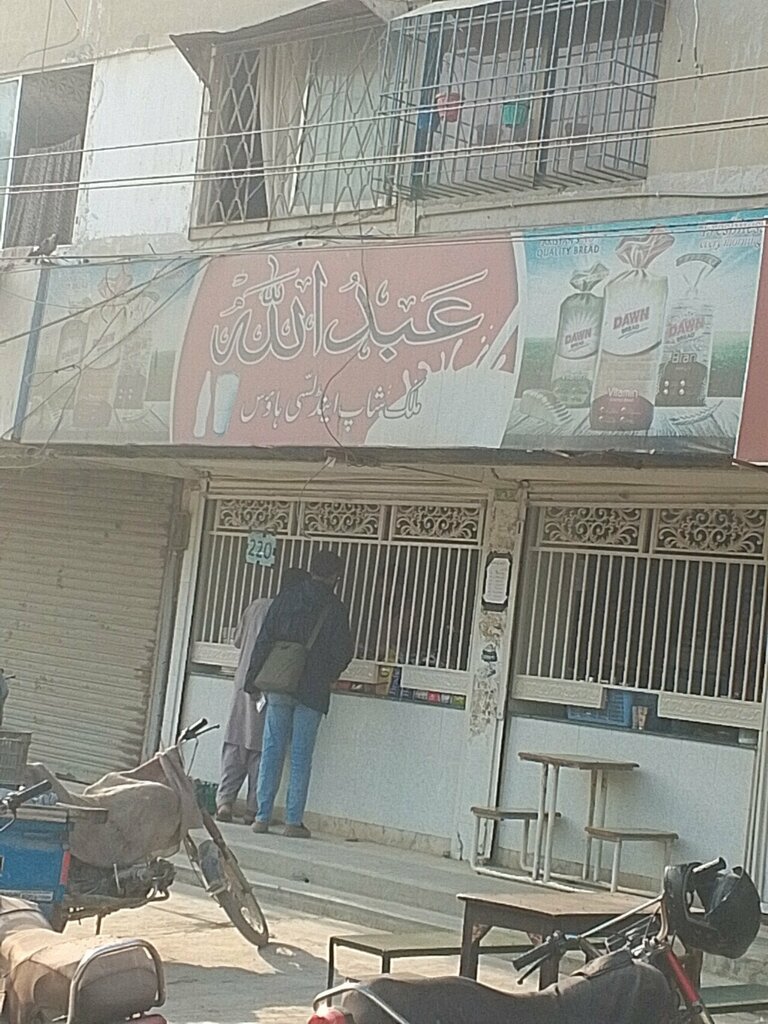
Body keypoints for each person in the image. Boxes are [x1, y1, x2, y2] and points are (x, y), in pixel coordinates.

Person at [250, 549, 354, 838]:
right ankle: (293, 822)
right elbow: (344, 651)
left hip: (280, 684)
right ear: (335, 576)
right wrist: (329, 673)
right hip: (313, 689)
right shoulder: (334, 607)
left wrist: (253, 680)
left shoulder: (287, 598)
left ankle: (261, 816)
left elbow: (265, 638)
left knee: (271, 750)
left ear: (311, 571)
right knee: (300, 756)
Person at [216, 568, 309, 824]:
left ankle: (225, 801)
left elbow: (237, 641)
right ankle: (253, 810)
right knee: (261, 749)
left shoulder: (256, 606)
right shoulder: (291, 614)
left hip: (243, 683)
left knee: (235, 742)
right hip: (270, 685)